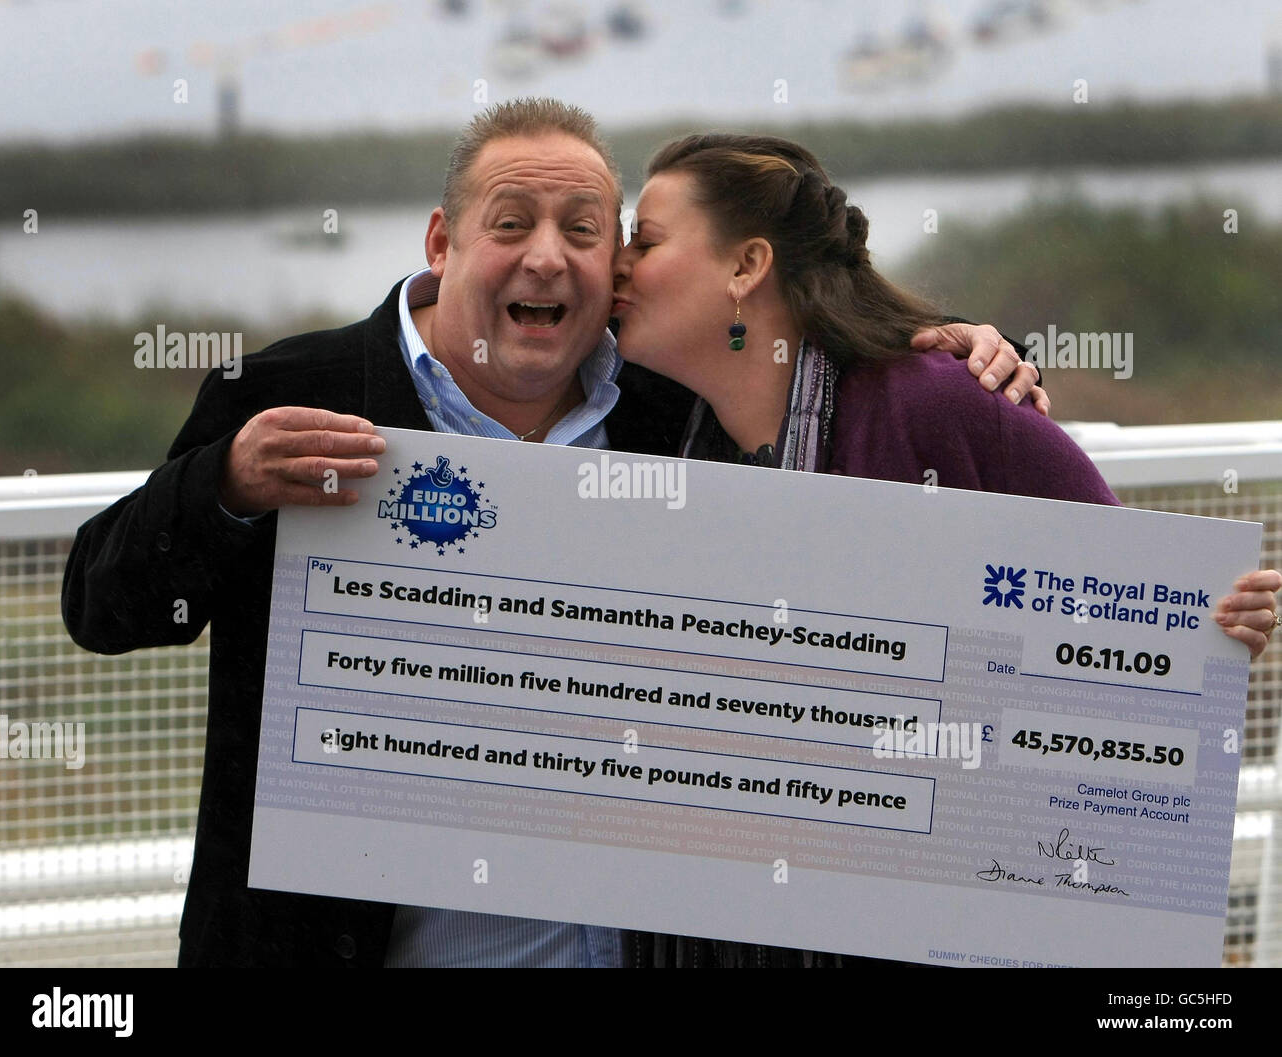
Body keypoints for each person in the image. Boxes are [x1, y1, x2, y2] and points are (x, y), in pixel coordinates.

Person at [60, 99, 1086, 968]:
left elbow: (816, 386)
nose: (546, 255)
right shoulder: (297, 392)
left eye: (590, 230)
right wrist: (223, 487)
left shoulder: (668, 410)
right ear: (440, 243)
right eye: (511, 222)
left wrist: (958, 349)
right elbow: (102, 606)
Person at [608, 131, 1282, 966]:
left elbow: (1127, 600)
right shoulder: (658, 431)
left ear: (746, 266)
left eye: (645, 240)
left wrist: (1207, 634)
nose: (619, 266)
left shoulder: (930, 402)